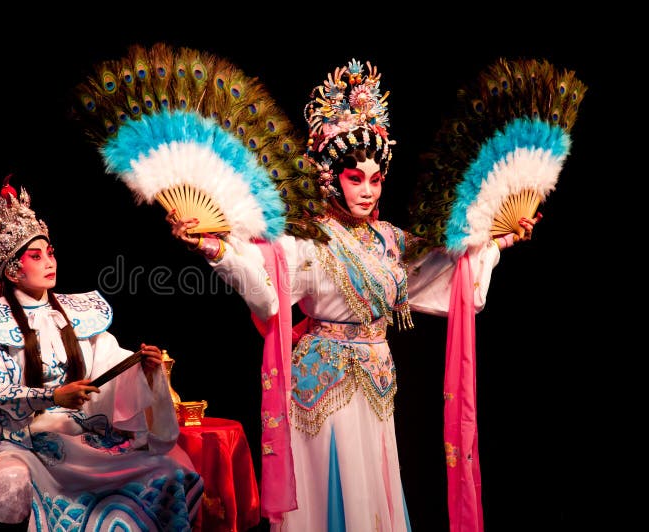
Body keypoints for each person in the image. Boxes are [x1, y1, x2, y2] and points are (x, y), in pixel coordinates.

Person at [168, 60, 539, 531]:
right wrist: (213, 246)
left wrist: (500, 240)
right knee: (336, 494)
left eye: (375, 178)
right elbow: (268, 293)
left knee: (374, 484)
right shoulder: (307, 240)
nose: (366, 190)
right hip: (323, 382)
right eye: (354, 178)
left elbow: (450, 274)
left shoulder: (390, 240)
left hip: (378, 378)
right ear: (331, 179)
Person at [0, 178, 203, 532]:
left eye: (50, 253)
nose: (49, 262)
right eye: (36, 256)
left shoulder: (78, 313)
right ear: (14, 270)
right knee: (9, 485)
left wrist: (142, 369)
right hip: (22, 443)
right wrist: (51, 395)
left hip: (79, 441)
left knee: (170, 471)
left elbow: (108, 363)